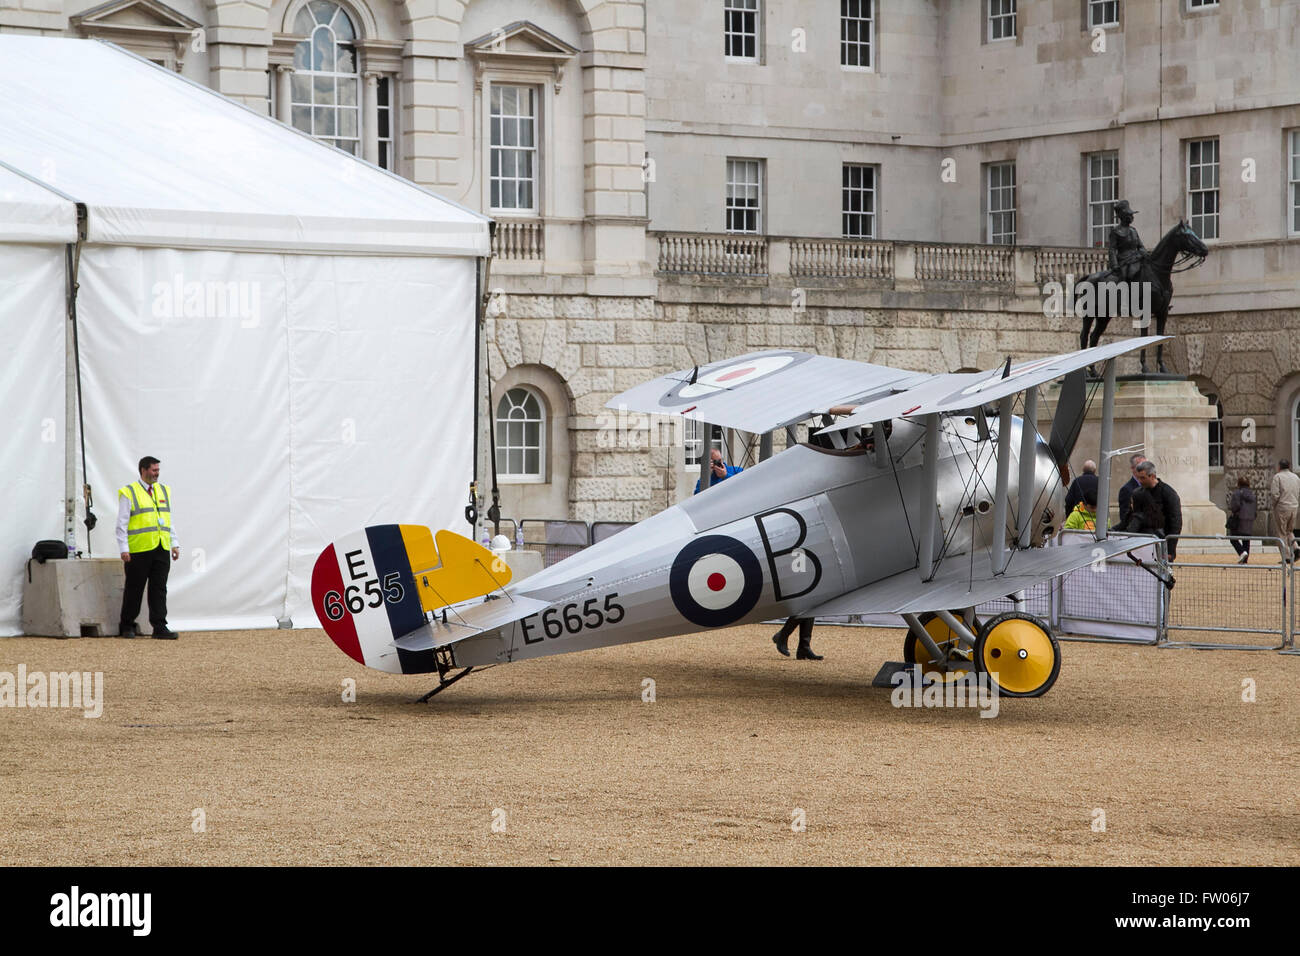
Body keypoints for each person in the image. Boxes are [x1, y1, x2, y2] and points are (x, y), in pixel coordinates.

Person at [117, 456, 180, 640]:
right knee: (134, 588)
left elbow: (168, 519)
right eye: (154, 470)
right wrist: (124, 548)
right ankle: (127, 625)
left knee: (159, 588)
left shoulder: (163, 490)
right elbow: (122, 523)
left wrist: (174, 543)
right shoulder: (129, 492)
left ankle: (159, 626)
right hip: (139, 549)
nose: (157, 474)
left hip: (161, 546)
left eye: (158, 470)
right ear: (143, 470)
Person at [1122, 460, 1182, 560]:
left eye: (1143, 478)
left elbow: (1176, 522)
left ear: (1152, 476)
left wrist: (1171, 550)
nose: (1140, 481)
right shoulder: (1138, 493)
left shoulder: (1168, 493)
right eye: (1138, 478)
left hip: (1161, 542)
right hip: (1141, 544)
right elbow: (1130, 516)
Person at [1268, 459, 1300, 560]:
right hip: (1294, 506)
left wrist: (1273, 505)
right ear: (1289, 466)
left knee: (1281, 532)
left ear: (1279, 467)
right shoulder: (1296, 477)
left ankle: (1286, 556)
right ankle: (1296, 547)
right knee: (1289, 531)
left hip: (1282, 506)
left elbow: (1275, 494)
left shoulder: (1278, 477)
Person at [1227, 476, 1257, 564]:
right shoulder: (1253, 495)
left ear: (1239, 484)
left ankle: (1241, 552)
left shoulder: (1237, 493)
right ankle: (1245, 559)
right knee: (1246, 539)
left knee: (1233, 538)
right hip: (1250, 518)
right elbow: (1255, 508)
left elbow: (1235, 506)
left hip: (1239, 518)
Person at [1115, 453, 1148, 529]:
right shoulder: (1127, 490)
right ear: (1133, 468)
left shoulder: (1150, 486)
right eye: (1141, 466)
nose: (1145, 469)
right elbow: (1124, 517)